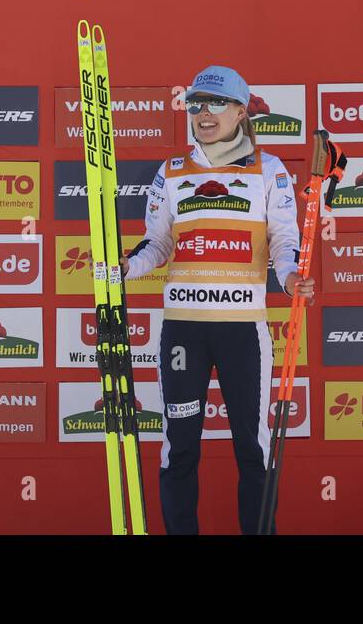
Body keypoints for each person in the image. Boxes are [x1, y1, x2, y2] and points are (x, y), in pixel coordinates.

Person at [122, 65, 314, 534]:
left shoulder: (268, 170)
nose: (202, 114)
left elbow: (284, 240)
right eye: (194, 104)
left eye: (214, 103)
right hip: (183, 329)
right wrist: (123, 268)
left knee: (253, 447)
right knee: (180, 445)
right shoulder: (171, 171)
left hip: (242, 330)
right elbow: (158, 244)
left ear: (240, 111)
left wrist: (290, 278)